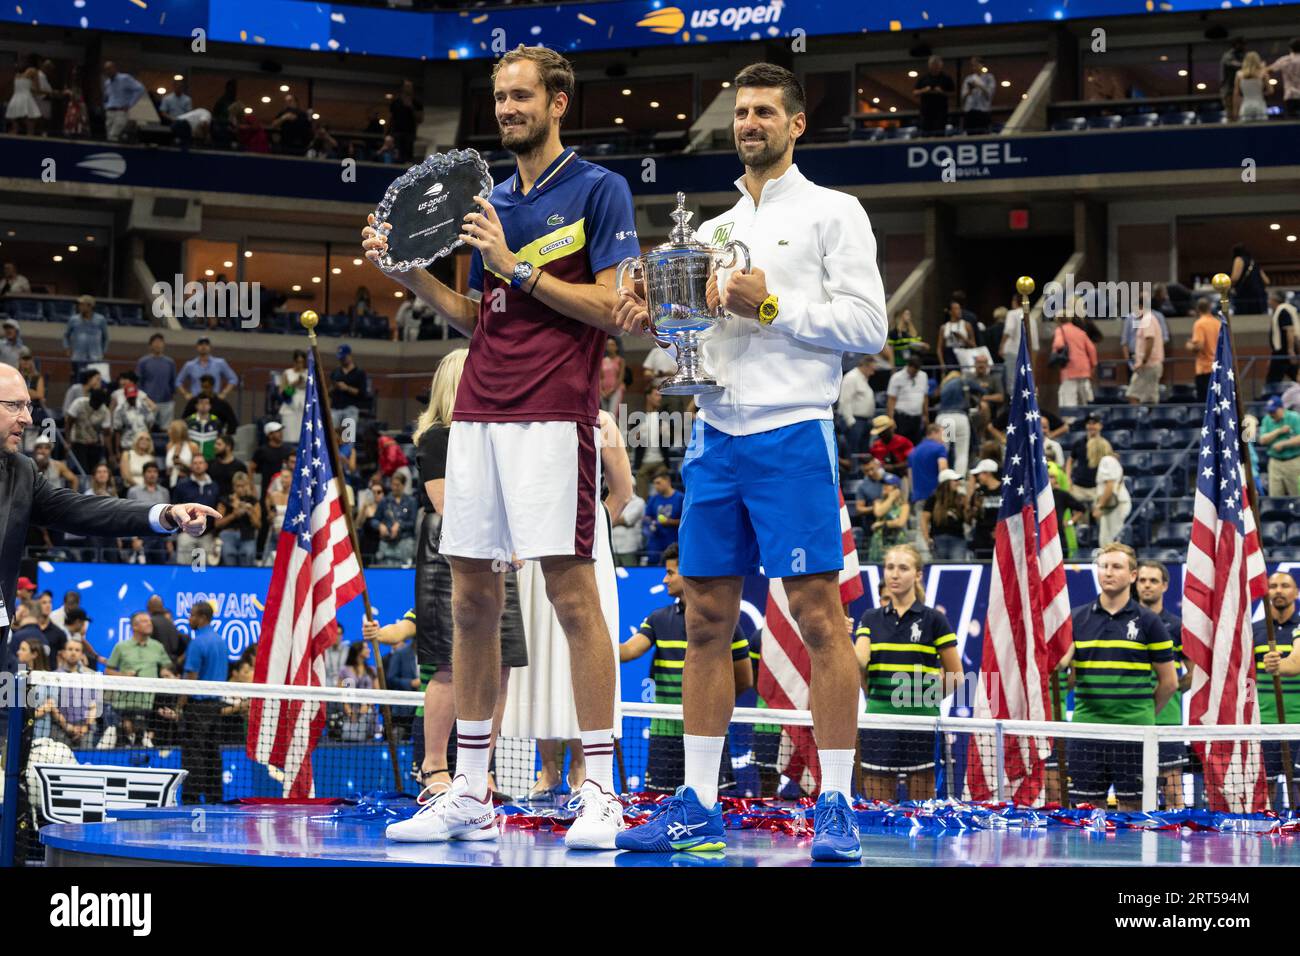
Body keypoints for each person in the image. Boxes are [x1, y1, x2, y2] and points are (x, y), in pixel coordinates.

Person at [612, 63, 883, 861]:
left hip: (793, 430)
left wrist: (767, 303)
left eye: (766, 111)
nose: (750, 122)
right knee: (703, 621)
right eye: (741, 112)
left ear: (797, 124)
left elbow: (868, 326)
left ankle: (835, 802)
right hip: (713, 435)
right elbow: (702, 335)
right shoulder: (717, 227)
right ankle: (697, 803)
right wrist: (662, 322)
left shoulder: (837, 212)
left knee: (819, 618)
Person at [620, 544, 751, 793]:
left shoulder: (726, 623)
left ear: (689, 572)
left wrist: (712, 706)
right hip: (665, 734)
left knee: (712, 802)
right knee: (657, 806)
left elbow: (744, 679)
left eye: (671, 572)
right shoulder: (658, 619)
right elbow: (628, 651)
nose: (665, 579)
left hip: (709, 733)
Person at [1066, 543, 1177, 812]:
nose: (1108, 572)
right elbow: (1067, 676)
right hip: (1086, 731)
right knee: (1085, 812)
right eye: (1103, 566)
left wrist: (1142, 712)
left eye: (1116, 566)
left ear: (1132, 575)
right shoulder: (1076, 619)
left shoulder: (1150, 621)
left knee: (1135, 809)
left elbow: (1170, 682)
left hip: (1136, 734)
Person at [855, 544, 961, 800]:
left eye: (903, 568)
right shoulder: (870, 618)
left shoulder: (935, 620)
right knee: (878, 810)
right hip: (879, 722)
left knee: (921, 812)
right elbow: (859, 663)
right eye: (890, 567)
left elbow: (956, 675)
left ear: (917, 575)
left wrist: (924, 699)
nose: (894, 574)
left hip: (921, 723)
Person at [1135, 560, 1189, 809]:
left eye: (1153, 581)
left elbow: (1195, 675)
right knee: (1134, 793)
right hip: (1132, 720)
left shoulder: (1177, 626)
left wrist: (1168, 692)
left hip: (1167, 722)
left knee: (1172, 792)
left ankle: (1173, 847)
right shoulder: (1126, 621)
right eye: (1143, 580)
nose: (1147, 585)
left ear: (1165, 586)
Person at [179, 601, 226, 804]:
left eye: (192, 615)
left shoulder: (197, 643)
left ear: (202, 618)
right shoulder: (220, 641)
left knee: (194, 755)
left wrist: (179, 706)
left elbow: (191, 678)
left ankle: (191, 799)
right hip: (215, 707)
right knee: (212, 753)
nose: (190, 619)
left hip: (197, 709)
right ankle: (214, 798)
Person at [1258, 572, 1300, 786]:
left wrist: (1278, 665)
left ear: (1297, 592)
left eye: (1285, 585)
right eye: (1273, 586)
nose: (1278, 590)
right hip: (1264, 726)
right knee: (1266, 791)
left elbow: (1295, 664)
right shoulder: (1255, 630)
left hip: (1298, 727)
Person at [172, 454, 221, 565]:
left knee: (203, 570)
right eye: (195, 463)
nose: (198, 466)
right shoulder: (182, 485)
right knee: (184, 568)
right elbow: (175, 507)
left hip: (207, 534)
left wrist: (215, 534)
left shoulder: (214, 486)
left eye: (200, 463)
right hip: (186, 533)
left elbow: (217, 508)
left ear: (206, 465)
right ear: (191, 466)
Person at [1052, 309, 1098, 407]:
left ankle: (1071, 421)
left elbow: (1058, 344)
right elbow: (1092, 349)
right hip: (1084, 369)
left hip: (1069, 370)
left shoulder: (1060, 330)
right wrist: (1093, 365)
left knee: (1069, 401)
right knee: (1086, 400)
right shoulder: (1080, 332)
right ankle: (1090, 421)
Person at [922, 469, 968, 561]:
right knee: (940, 567)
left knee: (957, 569)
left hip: (958, 538)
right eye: (955, 480)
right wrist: (927, 538)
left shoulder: (961, 498)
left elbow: (967, 519)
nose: (957, 483)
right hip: (938, 538)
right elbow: (924, 520)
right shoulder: (933, 499)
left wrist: (967, 503)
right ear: (946, 483)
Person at [216, 471, 261, 565]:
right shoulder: (225, 500)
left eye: (243, 485)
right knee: (228, 557)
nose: (241, 489)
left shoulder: (253, 502)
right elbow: (217, 524)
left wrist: (250, 512)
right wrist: (234, 515)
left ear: (248, 485)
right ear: (233, 486)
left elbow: (258, 525)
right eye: (238, 486)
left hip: (247, 535)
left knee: (247, 555)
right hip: (228, 534)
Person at [1125, 299, 1165, 405]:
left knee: (1136, 395)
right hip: (1147, 365)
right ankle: (1144, 419)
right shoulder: (1149, 319)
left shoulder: (1148, 319)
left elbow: (1150, 340)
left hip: (1148, 366)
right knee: (1147, 397)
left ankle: (1143, 420)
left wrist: (1143, 360)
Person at [1091, 440, 1130, 547]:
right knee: (1108, 539)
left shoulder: (1106, 460)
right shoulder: (1110, 460)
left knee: (1109, 541)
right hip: (1113, 504)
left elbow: (1109, 486)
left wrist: (1099, 506)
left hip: (1114, 505)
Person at [176, 337, 238, 405]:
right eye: (201, 344)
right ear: (196, 347)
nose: (203, 346)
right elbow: (178, 381)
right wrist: (186, 394)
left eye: (206, 344)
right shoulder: (189, 365)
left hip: (214, 401)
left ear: (210, 347)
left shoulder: (220, 363)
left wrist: (223, 393)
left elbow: (233, 379)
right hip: (196, 401)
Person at [374, 471, 417, 566]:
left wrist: (400, 525)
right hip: (386, 542)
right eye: (393, 484)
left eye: (397, 485)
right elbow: (374, 520)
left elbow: (413, 523)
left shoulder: (411, 502)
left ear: (404, 485)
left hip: (405, 542)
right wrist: (380, 525)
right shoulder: (384, 501)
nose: (394, 487)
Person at [1260, 396, 1300, 496]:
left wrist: (1284, 444)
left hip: (1293, 462)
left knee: (1297, 496)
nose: (1271, 414)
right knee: (1275, 497)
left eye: (1274, 411)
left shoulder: (1294, 417)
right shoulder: (1267, 419)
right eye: (1269, 411)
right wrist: (1279, 431)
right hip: (1275, 462)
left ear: (1282, 408)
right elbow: (1262, 440)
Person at [838, 354, 877, 457]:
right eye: (872, 369)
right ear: (865, 366)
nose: (873, 373)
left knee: (863, 454)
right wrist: (851, 422)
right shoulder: (852, 377)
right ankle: (854, 473)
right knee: (853, 453)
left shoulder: (863, 379)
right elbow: (845, 400)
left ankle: (861, 473)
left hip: (864, 421)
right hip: (855, 421)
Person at [886, 354, 929, 445]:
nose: (915, 374)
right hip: (902, 418)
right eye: (913, 371)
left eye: (917, 371)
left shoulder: (923, 376)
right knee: (901, 444)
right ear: (908, 366)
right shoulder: (897, 377)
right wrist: (890, 420)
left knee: (916, 444)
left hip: (917, 418)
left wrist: (926, 415)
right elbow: (891, 400)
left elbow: (924, 397)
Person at [63, 295, 109, 378]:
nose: (79, 307)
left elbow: (105, 338)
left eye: (82, 304)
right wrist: (67, 348)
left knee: (94, 379)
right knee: (78, 379)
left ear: (90, 306)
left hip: (95, 357)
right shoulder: (73, 319)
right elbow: (66, 335)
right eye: (79, 305)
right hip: (78, 357)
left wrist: (103, 352)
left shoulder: (101, 319)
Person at [643, 471, 683, 565]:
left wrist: (669, 522)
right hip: (655, 544)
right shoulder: (653, 499)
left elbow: (687, 521)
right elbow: (647, 516)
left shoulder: (680, 498)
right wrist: (651, 523)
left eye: (658, 483)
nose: (656, 486)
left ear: (667, 481)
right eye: (654, 484)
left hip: (673, 543)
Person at [965, 458, 1002, 559]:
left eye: (980, 474)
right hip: (981, 537)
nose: (978, 477)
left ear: (988, 473)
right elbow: (969, 516)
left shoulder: (1004, 490)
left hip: (1001, 536)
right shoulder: (978, 492)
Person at [1186, 298, 1220, 403]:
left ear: (1197, 309)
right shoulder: (1217, 323)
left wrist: (1189, 345)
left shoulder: (1199, 324)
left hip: (1205, 369)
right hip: (1218, 368)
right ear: (1210, 308)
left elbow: (1199, 346)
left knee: (1204, 403)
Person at [914, 56, 955, 135]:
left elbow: (953, 94)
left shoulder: (946, 78)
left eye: (936, 64)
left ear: (940, 66)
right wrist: (925, 90)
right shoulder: (924, 78)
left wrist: (941, 92)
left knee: (939, 134)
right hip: (926, 112)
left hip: (941, 113)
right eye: (933, 64)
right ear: (929, 65)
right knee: (926, 134)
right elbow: (915, 92)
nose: (934, 67)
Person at [329, 345, 368, 426]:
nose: (342, 360)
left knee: (348, 436)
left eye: (344, 357)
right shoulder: (336, 372)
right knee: (331, 434)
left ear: (350, 355)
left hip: (351, 408)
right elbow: (329, 391)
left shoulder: (359, 373)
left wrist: (347, 388)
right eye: (340, 358)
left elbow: (362, 393)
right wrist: (335, 387)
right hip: (335, 408)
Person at [1267, 290, 1300, 384]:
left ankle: (1268, 396)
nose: (1268, 301)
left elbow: (1289, 330)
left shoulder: (1283, 311)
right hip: (1280, 352)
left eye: (1270, 299)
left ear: (1274, 300)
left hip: (1284, 352)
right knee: (1292, 374)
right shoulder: (1278, 311)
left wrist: (1291, 351)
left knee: (1273, 378)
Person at [869, 414, 914, 479]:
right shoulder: (876, 446)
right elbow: (873, 463)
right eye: (879, 433)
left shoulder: (904, 442)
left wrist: (893, 467)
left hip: (903, 477)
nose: (881, 434)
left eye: (883, 432)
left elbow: (911, 461)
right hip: (882, 479)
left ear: (890, 429)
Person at [1229, 243, 1269, 317]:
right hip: (1258, 298)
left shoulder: (1239, 259)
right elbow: (1266, 281)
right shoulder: (1253, 262)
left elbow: (1235, 278)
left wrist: (1228, 286)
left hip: (1244, 296)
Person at [936, 300, 976, 371]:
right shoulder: (944, 327)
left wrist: (963, 338)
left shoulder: (966, 325)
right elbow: (939, 347)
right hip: (949, 354)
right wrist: (942, 363)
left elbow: (974, 345)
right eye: (956, 309)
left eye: (959, 308)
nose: (959, 311)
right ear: (950, 312)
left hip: (963, 351)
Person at [960, 57, 995, 133]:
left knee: (983, 133)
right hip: (970, 111)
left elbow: (989, 94)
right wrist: (969, 91)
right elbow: (963, 97)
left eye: (976, 65)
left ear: (982, 65)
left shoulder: (989, 78)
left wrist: (979, 86)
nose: (974, 67)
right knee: (970, 133)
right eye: (973, 65)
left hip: (983, 111)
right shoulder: (968, 79)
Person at [1268, 38, 1300, 119]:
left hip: (1290, 95)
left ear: (1290, 48)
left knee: (1292, 121)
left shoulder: (1285, 60)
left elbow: (1269, 70)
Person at [1234, 51, 1269, 121]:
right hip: (1259, 104)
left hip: (1246, 105)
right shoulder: (1263, 73)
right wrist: (1261, 94)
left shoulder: (1239, 74)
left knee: (1246, 130)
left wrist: (1235, 110)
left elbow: (1236, 93)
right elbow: (1270, 91)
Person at [599, 337, 624, 414]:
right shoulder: (602, 361)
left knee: (612, 414)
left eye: (612, 345)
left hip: (615, 390)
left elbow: (620, 377)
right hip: (603, 392)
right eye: (608, 345)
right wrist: (601, 391)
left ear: (616, 347)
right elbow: (600, 377)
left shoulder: (620, 360)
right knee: (605, 415)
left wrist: (612, 390)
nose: (610, 347)